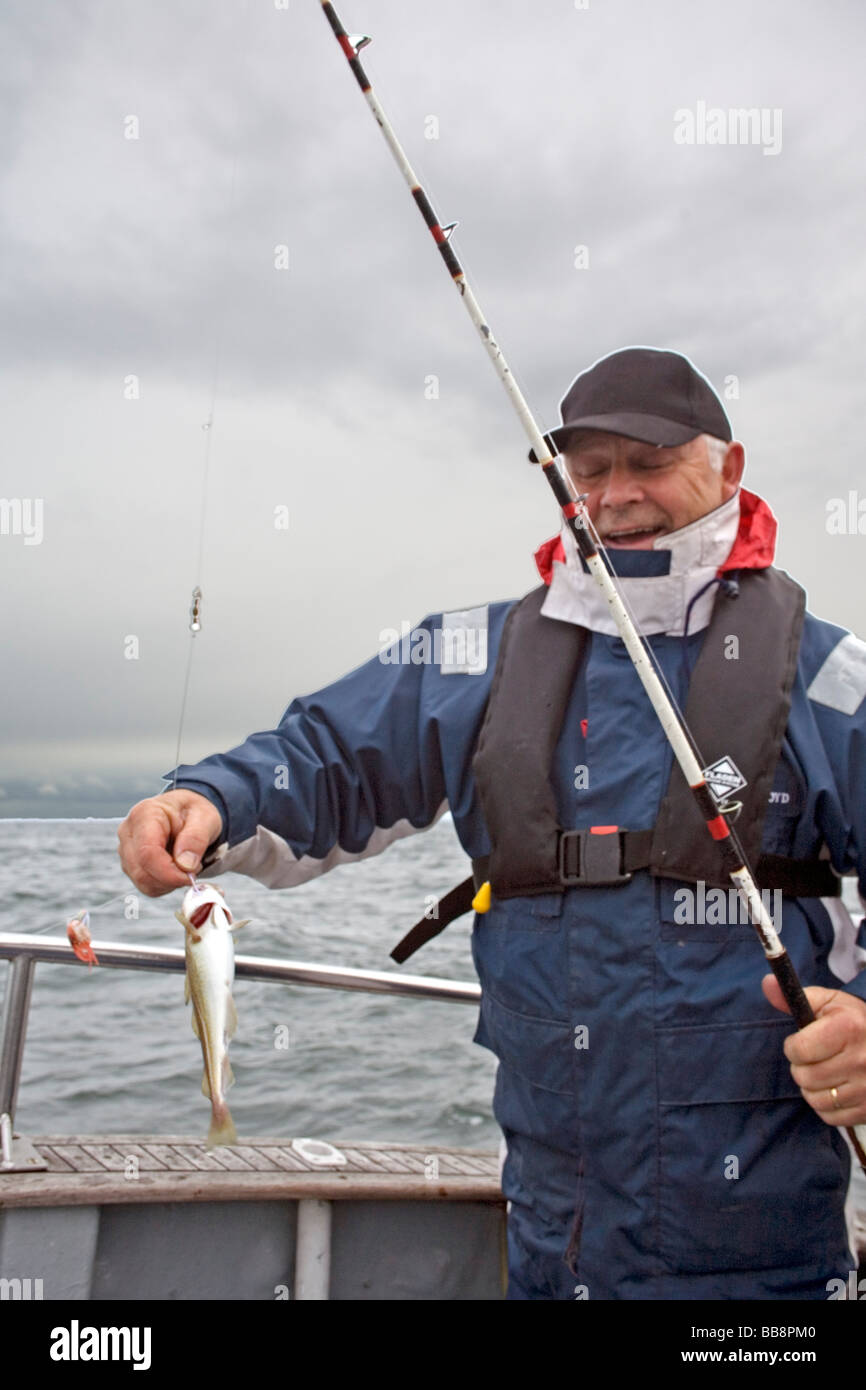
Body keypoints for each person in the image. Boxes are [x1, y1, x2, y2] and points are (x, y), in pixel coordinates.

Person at [118, 346, 866, 1300]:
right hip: (552, 1243)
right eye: (590, 470)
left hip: (768, 1272)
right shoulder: (473, 653)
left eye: (650, 462)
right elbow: (326, 758)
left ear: (730, 466)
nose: (619, 494)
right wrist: (205, 801)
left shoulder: (827, 675)